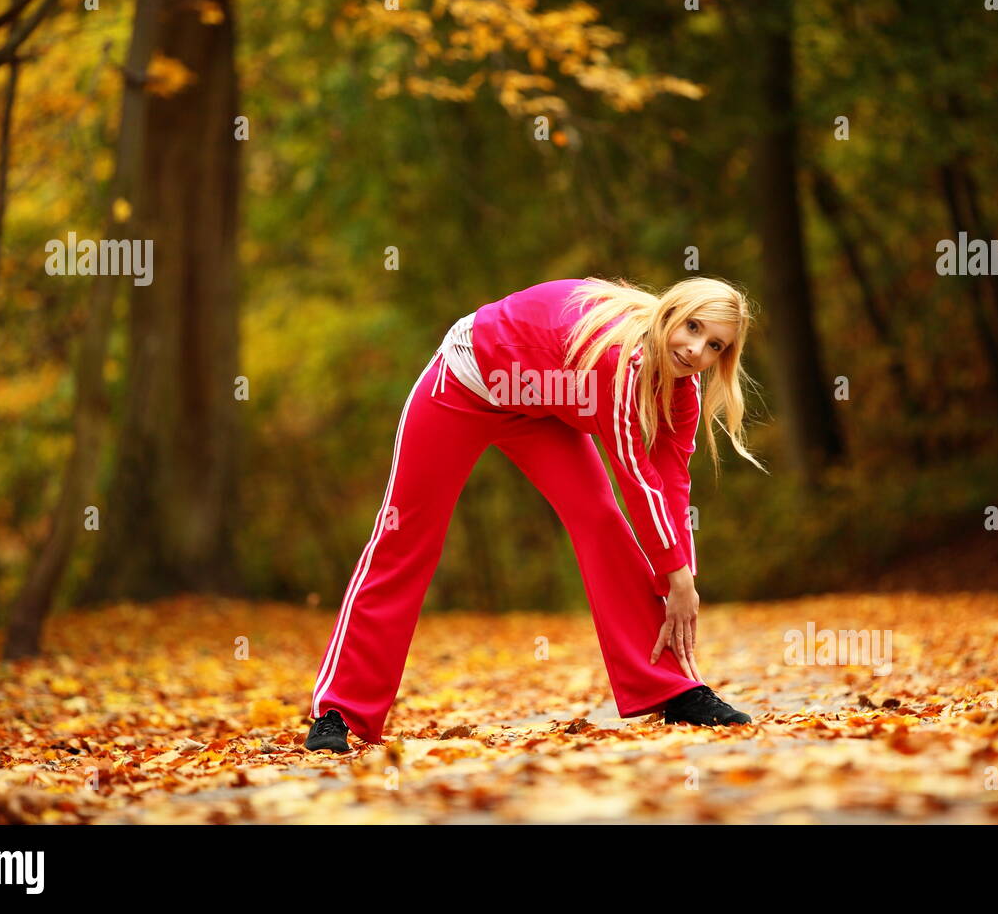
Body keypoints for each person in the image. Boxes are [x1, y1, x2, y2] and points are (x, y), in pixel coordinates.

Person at [305, 275, 767, 753]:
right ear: (670, 313)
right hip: (470, 381)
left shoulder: (679, 392)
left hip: (544, 406)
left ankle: (672, 688)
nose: (695, 350)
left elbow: (670, 482)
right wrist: (675, 575)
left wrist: (680, 574)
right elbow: (636, 476)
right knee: (406, 535)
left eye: (714, 345)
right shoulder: (620, 363)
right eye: (691, 327)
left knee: (600, 520)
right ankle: (339, 709)